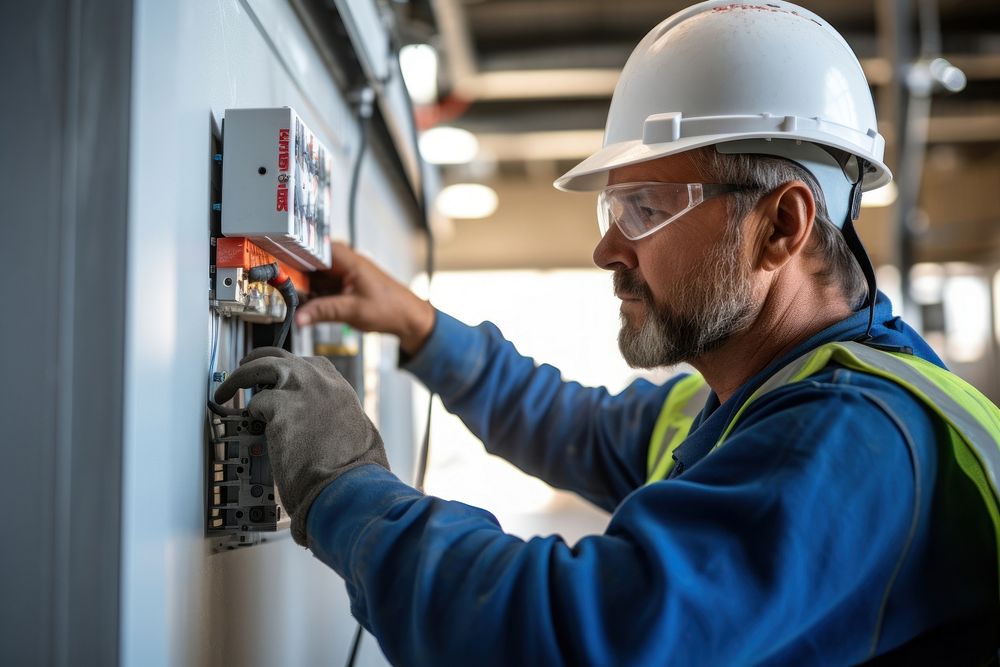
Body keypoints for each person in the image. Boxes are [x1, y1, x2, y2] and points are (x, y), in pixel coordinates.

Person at [216, 1, 1000, 664]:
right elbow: (580, 428)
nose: (607, 250)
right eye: (614, 208)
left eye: (647, 209)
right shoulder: (752, 401)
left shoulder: (847, 441)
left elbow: (568, 635)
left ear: (779, 228)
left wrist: (343, 481)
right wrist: (419, 326)